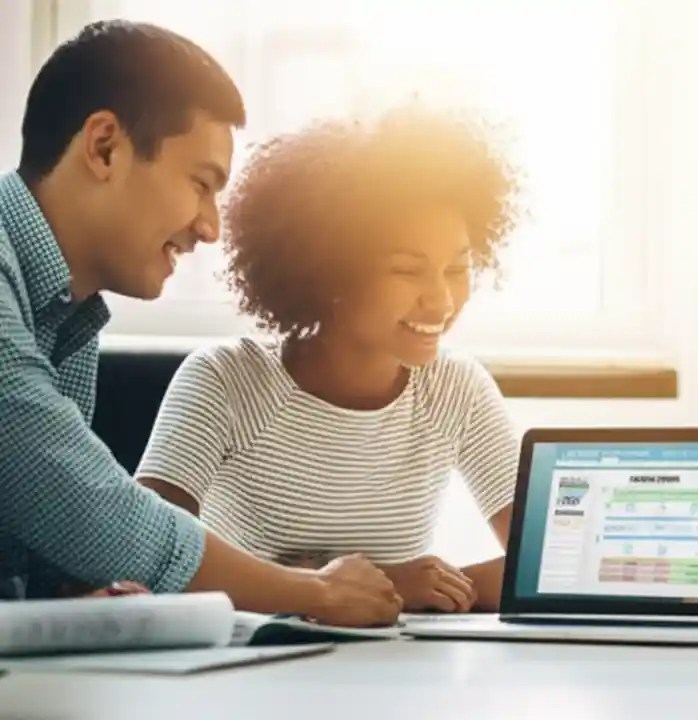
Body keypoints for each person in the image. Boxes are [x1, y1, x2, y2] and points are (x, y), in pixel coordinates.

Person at [0, 20, 401, 624]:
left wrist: (68, 598)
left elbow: (38, 540)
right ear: (104, 146)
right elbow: (73, 499)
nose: (210, 227)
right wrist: (313, 592)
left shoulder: (67, 315)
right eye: (201, 183)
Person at [138, 107, 522, 613]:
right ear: (330, 272)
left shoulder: (456, 390)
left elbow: (552, 563)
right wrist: (382, 585)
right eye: (407, 270)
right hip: (253, 666)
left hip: (396, 671)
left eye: (456, 268)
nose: (441, 300)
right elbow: (139, 557)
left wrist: (422, 588)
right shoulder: (226, 382)